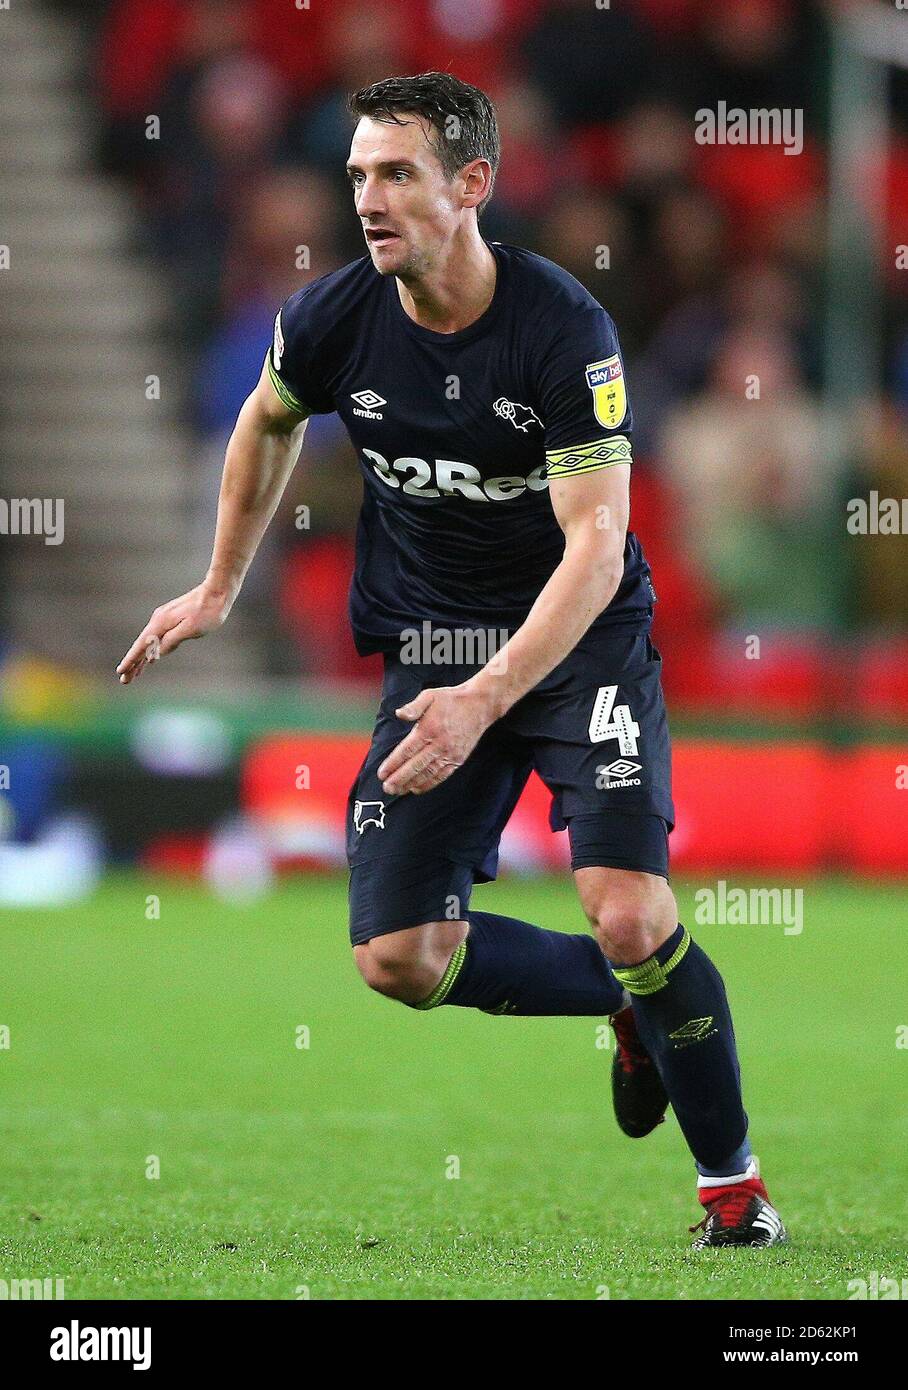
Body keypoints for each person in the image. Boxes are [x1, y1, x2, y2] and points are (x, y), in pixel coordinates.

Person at [117, 71, 786, 1247]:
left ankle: (732, 1193)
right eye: (358, 175)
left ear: (471, 185)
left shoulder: (561, 329)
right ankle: (633, 1003)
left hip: (577, 645)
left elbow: (594, 549)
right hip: (433, 650)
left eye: (397, 174)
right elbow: (267, 418)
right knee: (399, 960)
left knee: (631, 915)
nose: (368, 199)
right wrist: (218, 583)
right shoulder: (332, 317)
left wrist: (487, 698)